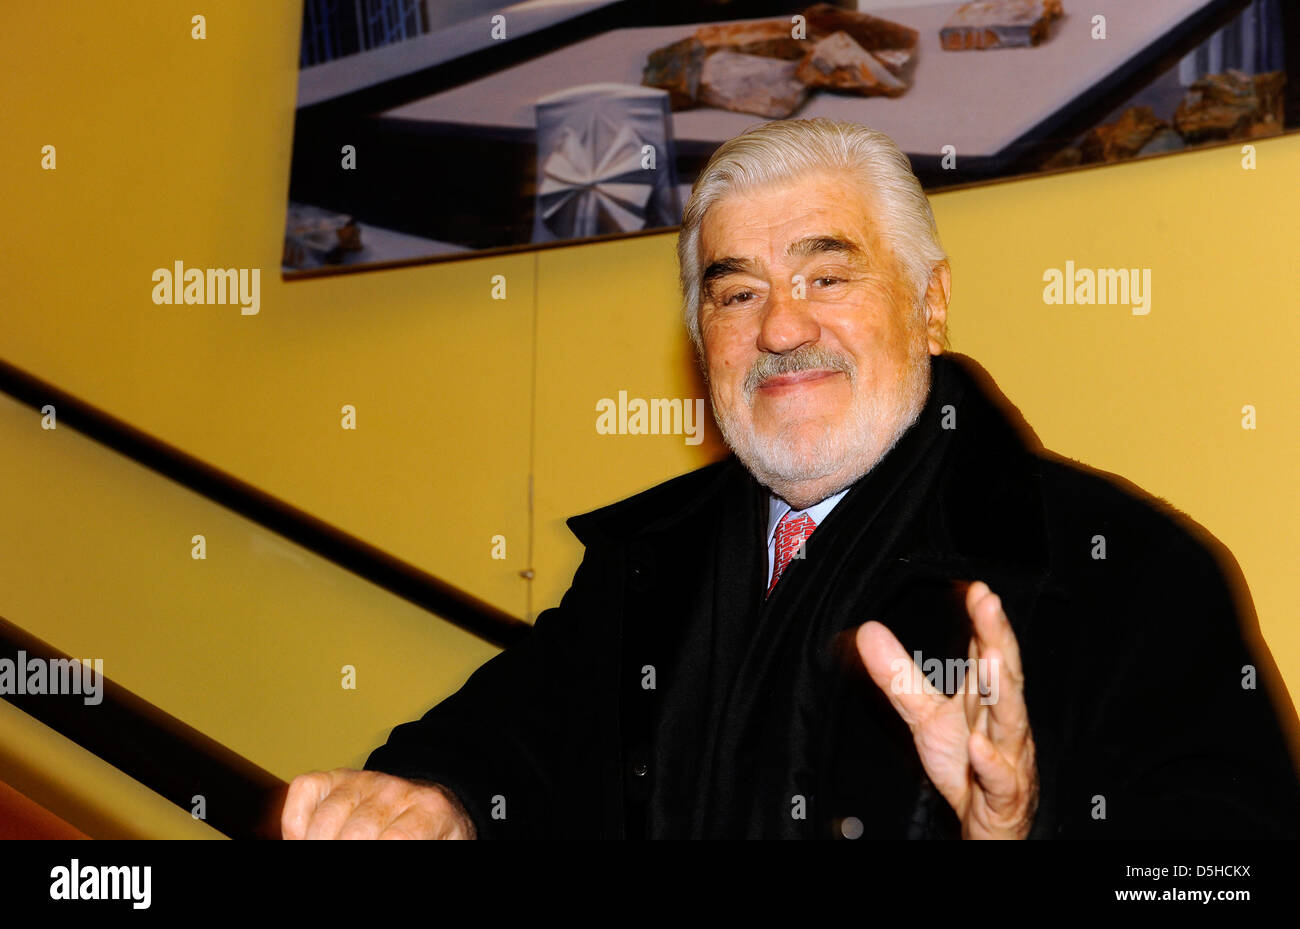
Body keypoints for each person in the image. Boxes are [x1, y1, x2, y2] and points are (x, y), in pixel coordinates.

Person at [281, 118, 1300, 840]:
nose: (779, 327)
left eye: (827, 274)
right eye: (736, 293)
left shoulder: (1122, 571)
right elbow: (515, 739)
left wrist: (1023, 828)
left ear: (930, 301)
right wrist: (437, 797)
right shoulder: (645, 572)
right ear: (701, 338)